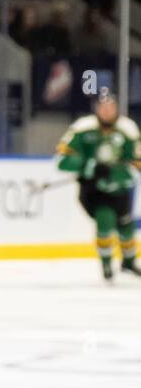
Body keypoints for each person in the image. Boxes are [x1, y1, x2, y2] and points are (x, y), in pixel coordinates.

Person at [55, 90, 141, 281]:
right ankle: (106, 265)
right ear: (96, 109)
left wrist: (123, 169)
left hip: (120, 188)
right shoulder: (83, 128)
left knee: (126, 226)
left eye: (111, 107)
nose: (107, 111)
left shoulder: (127, 128)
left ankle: (128, 262)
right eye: (103, 107)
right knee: (106, 219)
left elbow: (136, 160)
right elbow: (63, 160)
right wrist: (89, 165)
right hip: (93, 190)